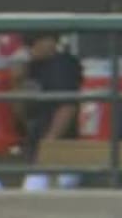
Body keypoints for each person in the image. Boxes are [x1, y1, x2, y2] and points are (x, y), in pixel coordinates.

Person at [20, 30, 83, 191]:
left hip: (64, 150)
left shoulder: (62, 64)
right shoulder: (32, 67)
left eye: (34, 43)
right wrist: (17, 80)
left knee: (41, 192)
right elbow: (21, 114)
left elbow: (67, 107)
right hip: (36, 148)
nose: (31, 49)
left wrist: (50, 143)